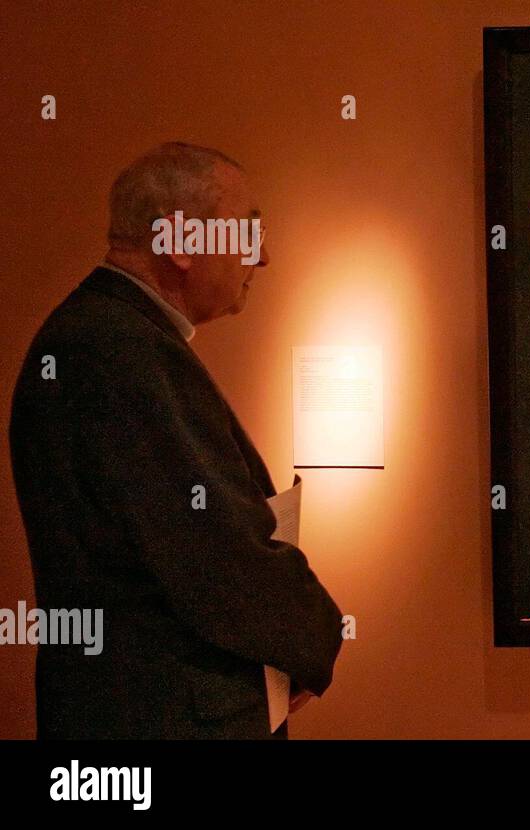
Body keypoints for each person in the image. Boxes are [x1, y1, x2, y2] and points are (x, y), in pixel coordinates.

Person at [9, 143, 342, 738]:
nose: (261, 255)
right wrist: (316, 636)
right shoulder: (113, 350)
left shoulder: (105, 339)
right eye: (246, 229)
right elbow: (214, 551)